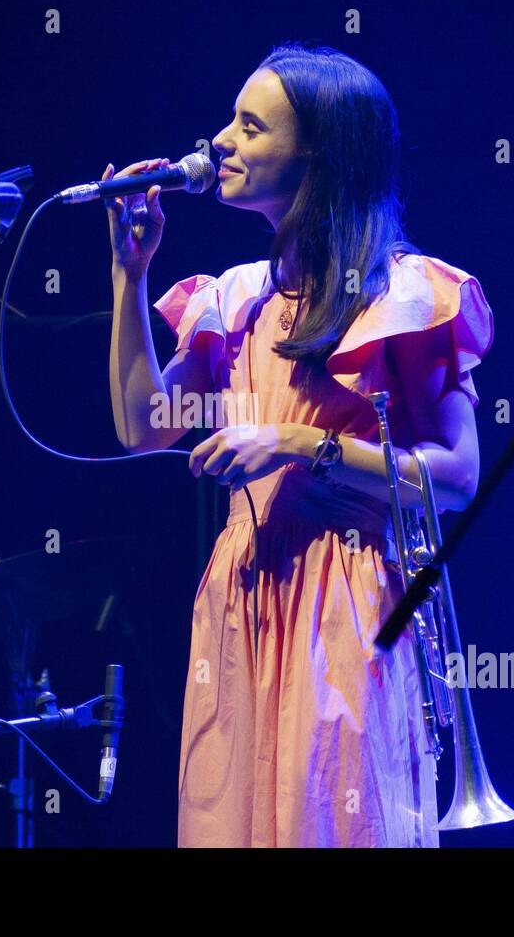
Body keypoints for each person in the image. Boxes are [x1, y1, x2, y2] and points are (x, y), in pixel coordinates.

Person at [105, 44, 494, 847]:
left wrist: (297, 442)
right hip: (243, 604)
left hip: (344, 602)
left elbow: (455, 480)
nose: (221, 141)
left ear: (319, 156)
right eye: (231, 121)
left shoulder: (404, 293)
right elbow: (144, 426)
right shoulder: (235, 299)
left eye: (251, 127)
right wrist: (129, 275)